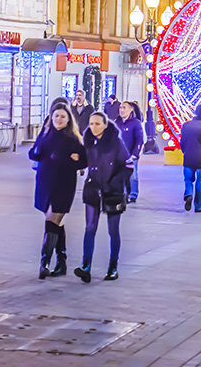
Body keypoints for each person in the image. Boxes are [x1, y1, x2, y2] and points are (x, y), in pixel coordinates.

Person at [29, 101, 85, 279]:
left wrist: (74, 160)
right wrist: (36, 150)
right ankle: (61, 262)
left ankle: (44, 263)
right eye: (56, 116)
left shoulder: (73, 139)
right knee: (56, 223)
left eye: (62, 116)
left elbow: (84, 161)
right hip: (45, 182)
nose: (59, 119)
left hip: (64, 183)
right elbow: (33, 153)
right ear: (51, 118)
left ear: (68, 119)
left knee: (52, 219)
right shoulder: (45, 134)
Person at [74, 112, 130, 283]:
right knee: (90, 228)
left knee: (113, 230)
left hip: (113, 192)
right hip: (92, 189)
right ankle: (86, 266)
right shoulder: (89, 141)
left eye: (97, 123)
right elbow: (85, 161)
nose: (93, 127)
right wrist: (76, 159)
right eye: (91, 124)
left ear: (105, 125)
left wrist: (115, 184)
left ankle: (113, 267)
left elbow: (127, 166)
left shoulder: (116, 143)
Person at [180, 103, 201, 212]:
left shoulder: (186, 126)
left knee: (188, 179)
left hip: (188, 157)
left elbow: (182, 143)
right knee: (200, 182)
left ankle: (188, 194)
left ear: (195, 112)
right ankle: (198, 206)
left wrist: (185, 152)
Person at [115, 101, 145, 202]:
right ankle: (123, 193)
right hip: (118, 156)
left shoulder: (136, 123)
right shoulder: (116, 122)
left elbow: (139, 139)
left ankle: (133, 194)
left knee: (133, 175)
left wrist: (134, 154)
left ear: (131, 109)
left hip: (131, 155)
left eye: (124, 108)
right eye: (120, 108)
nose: (122, 110)